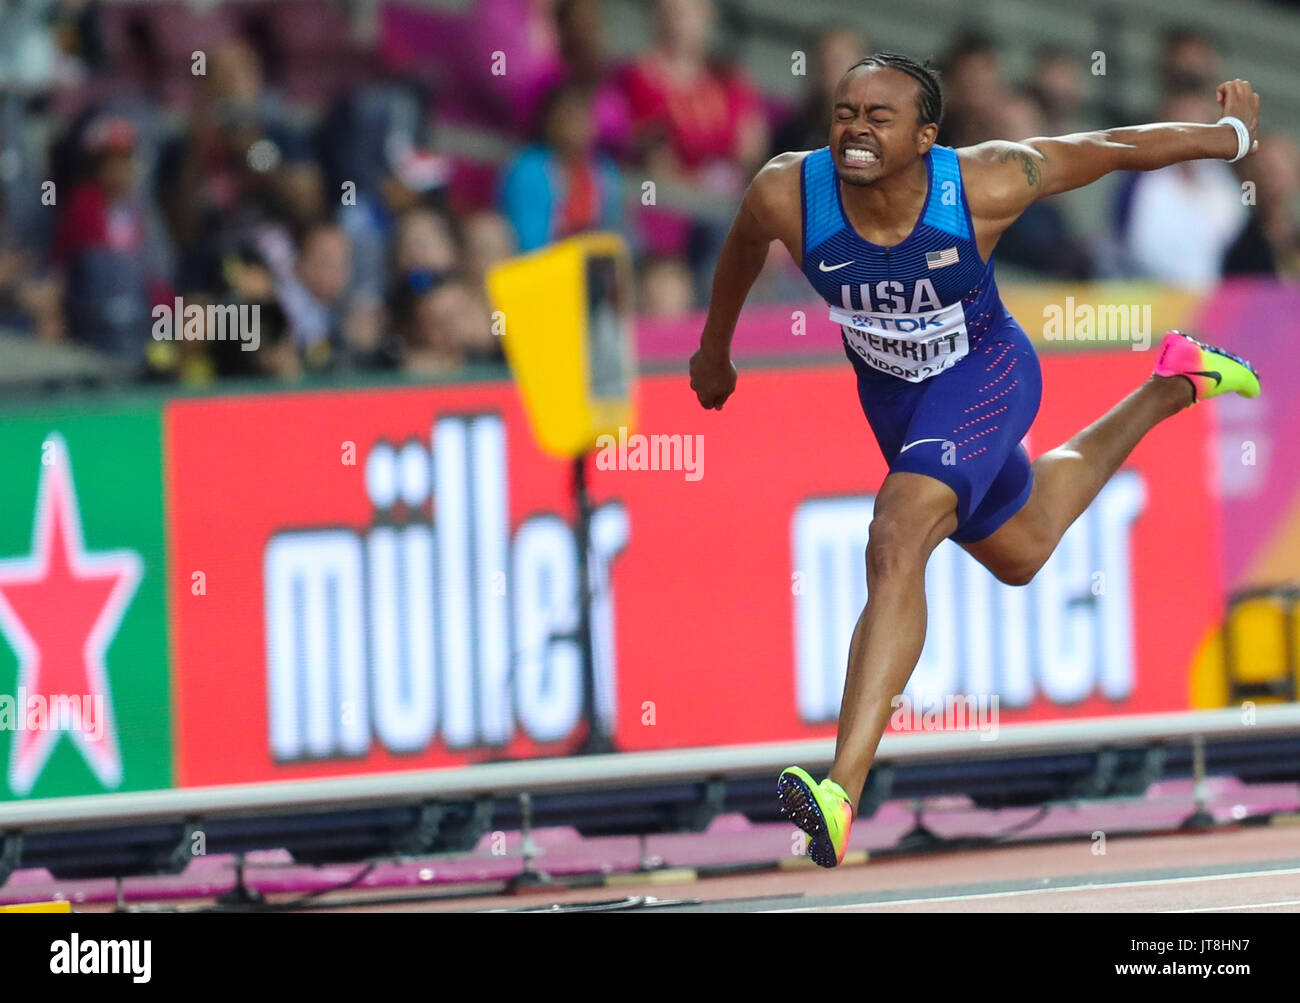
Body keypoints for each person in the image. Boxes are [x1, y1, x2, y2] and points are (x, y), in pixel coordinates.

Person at [687, 53, 1263, 868]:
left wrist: (1225, 135)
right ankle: (1174, 383)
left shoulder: (986, 183)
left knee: (896, 534)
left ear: (926, 136)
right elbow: (743, 246)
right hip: (895, 403)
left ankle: (840, 792)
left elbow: (1111, 145)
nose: (855, 127)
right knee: (1022, 549)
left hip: (986, 373)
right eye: (845, 110)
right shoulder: (789, 189)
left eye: (879, 117)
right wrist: (715, 351)